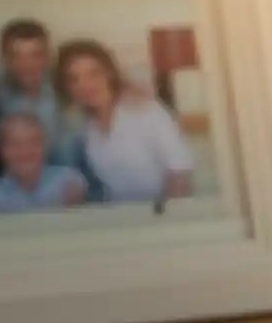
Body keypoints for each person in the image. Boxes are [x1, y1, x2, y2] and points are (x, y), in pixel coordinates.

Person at [55, 39, 193, 204]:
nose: (84, 85)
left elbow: (180, 171)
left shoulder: (146, 110)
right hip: (119, 219)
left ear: (109, 72)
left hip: (161, 216)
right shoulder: (83, 125)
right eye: (74, 79)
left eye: (94, 73)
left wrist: (168, 219)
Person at [0, 19, 79, 167]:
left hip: (73, 178)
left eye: (35, 55)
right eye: (16, 56)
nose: (27, 65)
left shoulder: (67, 85)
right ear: (4, 59)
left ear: (47, 57)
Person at [0, 113, 87, 214]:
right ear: (1, 150)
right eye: (15, 144)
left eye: (33, 142)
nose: (24, 151)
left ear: (45, 146)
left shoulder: (69, 182)